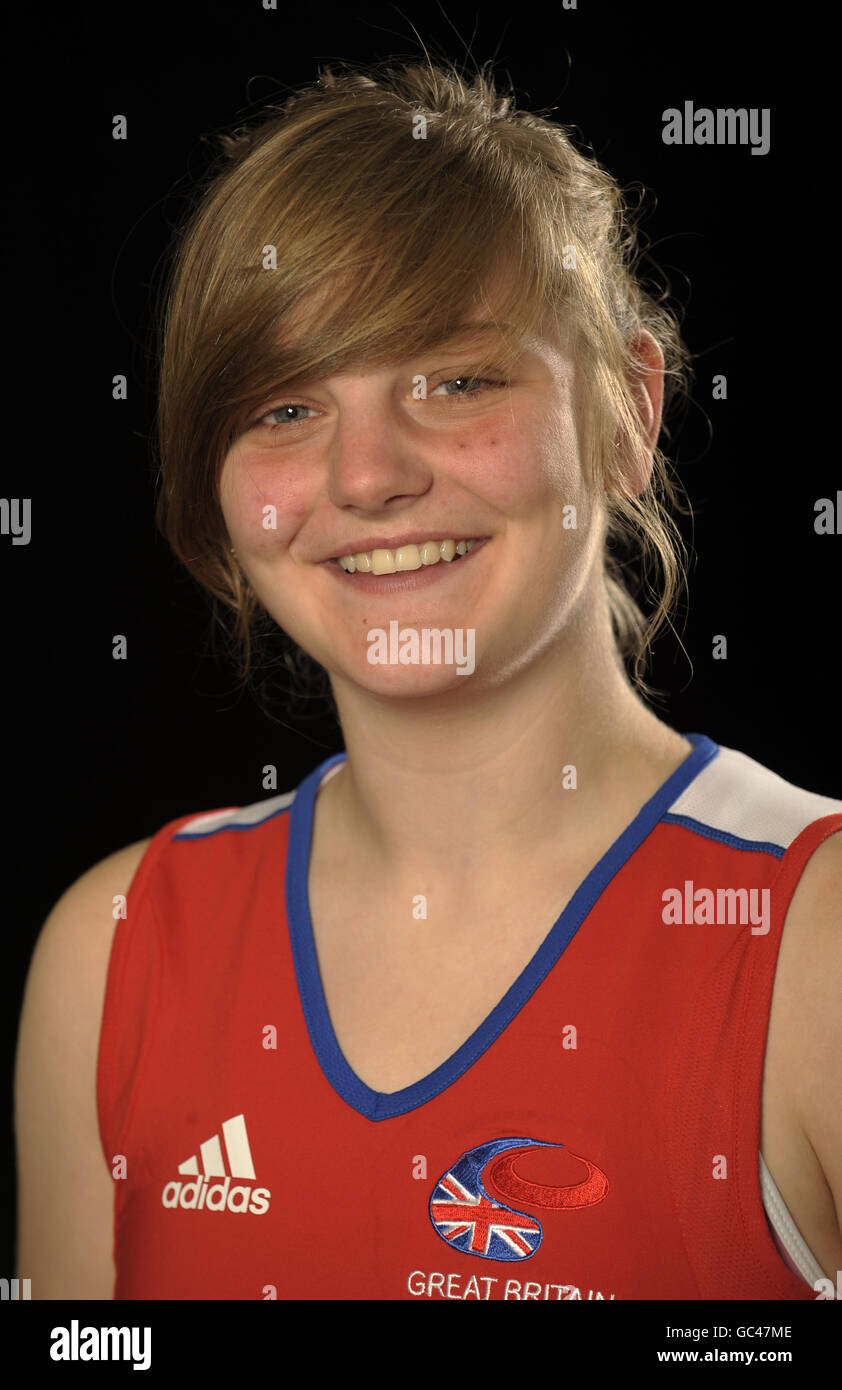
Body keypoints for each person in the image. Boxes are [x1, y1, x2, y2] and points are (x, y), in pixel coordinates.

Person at [14, 58, 842, 1302]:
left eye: (453, 381)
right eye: (284, 408)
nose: (365, 477)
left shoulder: (812, 943)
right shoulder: (115, 948)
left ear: (626, 412)